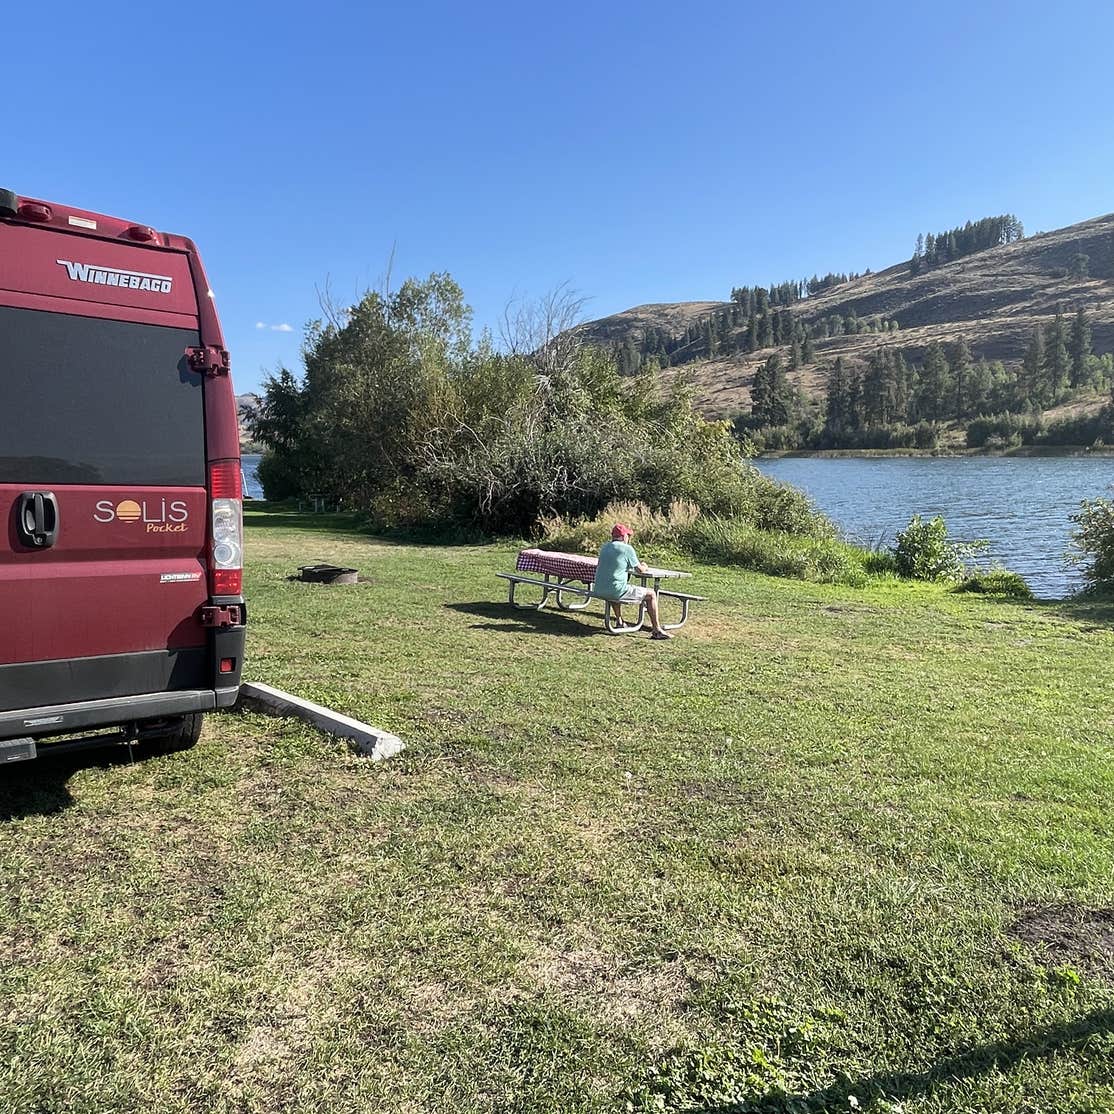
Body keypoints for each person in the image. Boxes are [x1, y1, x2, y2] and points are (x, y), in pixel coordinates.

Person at [592, 523, 673, 640]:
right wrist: (644, 565)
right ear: (624, 536)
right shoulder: (627, 549)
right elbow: (639, 570)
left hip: (599, 589)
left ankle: (619, 621)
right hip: (615, 590)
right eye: (628, 535)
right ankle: (657, 630)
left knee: (616, 587)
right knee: (651, 594)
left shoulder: (605, 547)